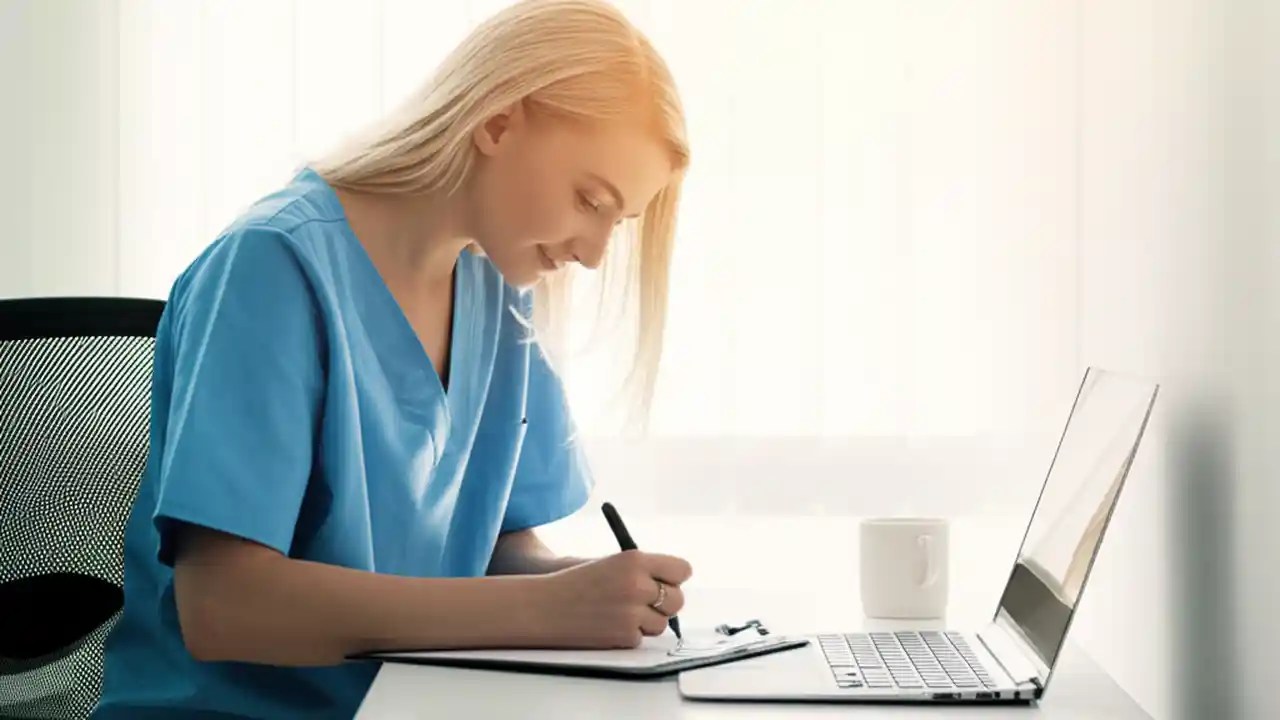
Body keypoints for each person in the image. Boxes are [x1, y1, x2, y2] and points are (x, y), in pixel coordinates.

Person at [94, 0, 692, 716]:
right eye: (589, 200)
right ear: (499, 121)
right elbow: (225, 605)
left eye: (617, 224)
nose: (595, 254)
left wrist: (586, 587)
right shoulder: (272, 268)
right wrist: (541, 608)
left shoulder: (498, 293)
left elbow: (494, 548)